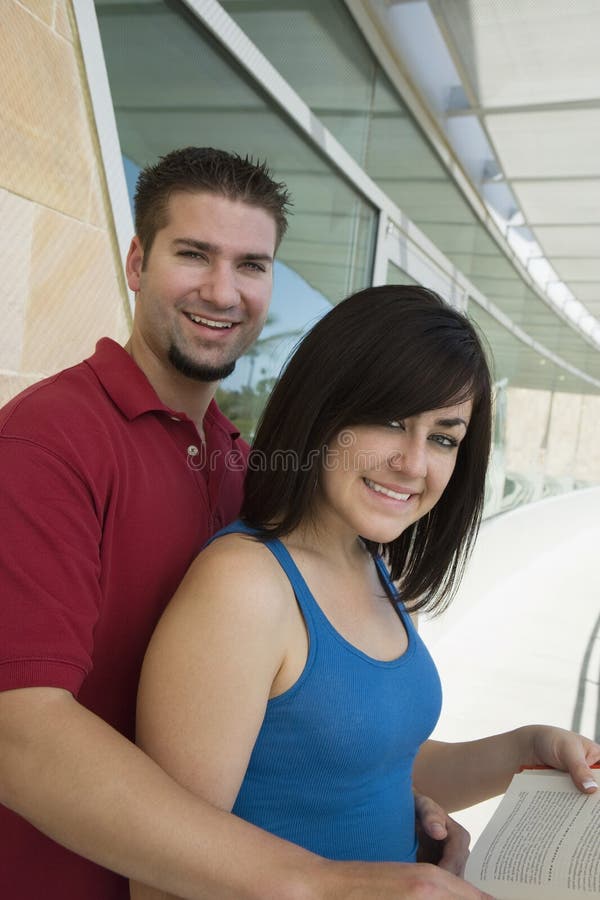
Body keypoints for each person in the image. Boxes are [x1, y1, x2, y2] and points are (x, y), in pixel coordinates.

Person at [0, 148, 490, 900]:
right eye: (194, 254)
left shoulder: (248, 465)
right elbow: (18, 730)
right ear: (136, 262)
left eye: (252, 265)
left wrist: (394, 806)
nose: (223, 290)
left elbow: (295, 735)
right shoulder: (45, 443)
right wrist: (322, 881)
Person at [132, 285, 600, 899]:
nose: (414, 463)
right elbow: (162, 876)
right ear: (322, 410)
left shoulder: (374, 566)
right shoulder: (245, 587)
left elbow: (371, 766)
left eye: (443, 437)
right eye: (390, 422)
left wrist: (525, 750)